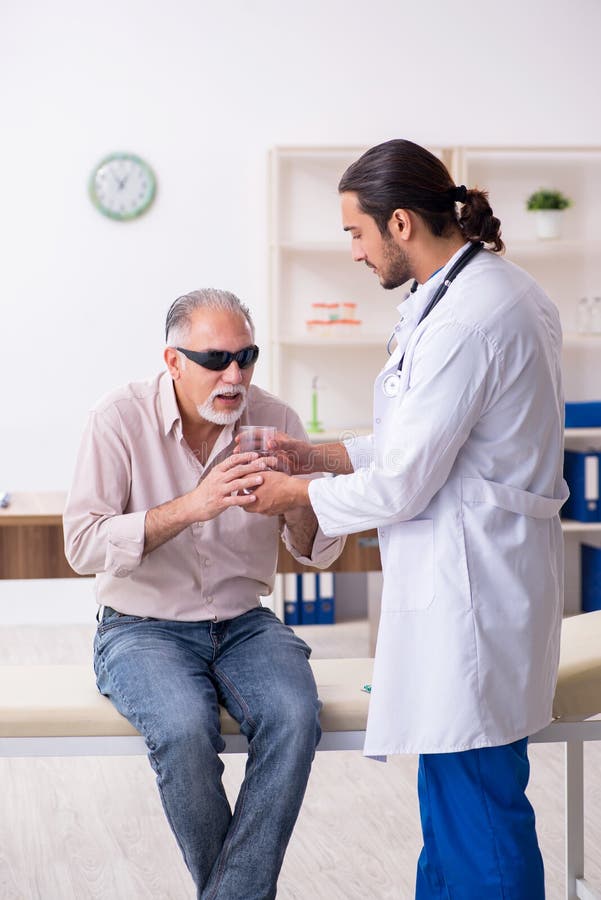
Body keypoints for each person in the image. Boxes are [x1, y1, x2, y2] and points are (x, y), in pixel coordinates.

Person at [247, 139, 569, 899]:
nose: (353, 253)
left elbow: (402, 485)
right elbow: (422, 442)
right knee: (453, 808)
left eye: (355, 233)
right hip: (472, 582)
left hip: (472, 597)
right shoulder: (470, 294)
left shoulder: (468, 318)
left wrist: (288, 495)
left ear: (398, 223)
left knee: (476, 814)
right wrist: (316, 455)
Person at [63, 288, 345, 900]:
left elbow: (316, 549)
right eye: (217, 359)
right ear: (173, 362)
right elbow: (82, 545)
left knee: (295, 717)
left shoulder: (277, 420)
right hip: (141, 627)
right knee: (185, 728)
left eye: (247, 356)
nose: (235, 375)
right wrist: (194, 506)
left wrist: (295, 500)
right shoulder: (117, 418)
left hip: (245, 622)